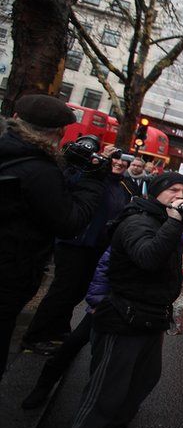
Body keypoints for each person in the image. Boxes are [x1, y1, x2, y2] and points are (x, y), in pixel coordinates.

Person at [66, 173, 183, 428]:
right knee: (107, 388)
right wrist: (175, 223)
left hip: (150, 317)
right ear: (156, 193)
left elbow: (166, 261)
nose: (179, 195)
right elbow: (148, 257)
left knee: (145, 377)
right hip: (123, 317)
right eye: (172, 189)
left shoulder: (164, 221)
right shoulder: (137, 221)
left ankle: (114, 427)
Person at [0, 94, 106, 382]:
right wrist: (94, 181)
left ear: (18, 120)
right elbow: (69, 221)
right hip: (9, 274)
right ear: (60, 132)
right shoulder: (39, 170)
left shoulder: (13, 152)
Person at [20, 148, 135, 355]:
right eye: (114, 159)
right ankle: (35, 336)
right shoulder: (90, 175)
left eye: (123, 160)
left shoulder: (125, 186)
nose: (118, 163)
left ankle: (58, 329)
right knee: (63, 290)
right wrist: (95, 166)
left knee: (78, 291)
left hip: (97, 246)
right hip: (75, 243)